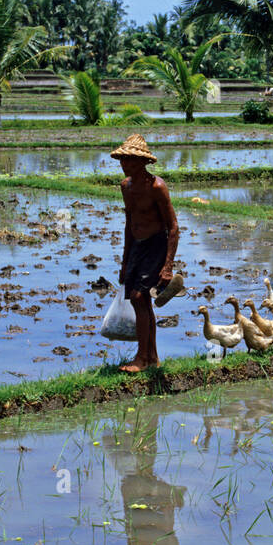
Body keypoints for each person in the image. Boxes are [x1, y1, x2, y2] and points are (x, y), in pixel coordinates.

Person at [110, 133, 179, 372]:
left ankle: (142, 357)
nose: (124, 165)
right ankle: (151, 358)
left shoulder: (157, 187)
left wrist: (168, 266)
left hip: (156, 244)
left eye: (129, 160)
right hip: (137, 246)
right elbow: (130, 224)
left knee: (140, 298)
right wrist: (125, 261)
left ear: (142, 162)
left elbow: (173, 227)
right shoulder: (126, 187)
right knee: (141, 302)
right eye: (122, 160)